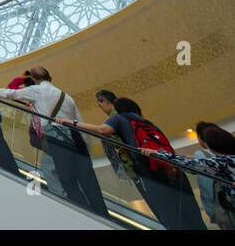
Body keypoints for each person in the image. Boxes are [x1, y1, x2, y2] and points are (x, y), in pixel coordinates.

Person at [60, 97, 205, 230]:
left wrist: (71, 122)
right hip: (172, 168)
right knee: (191, 212)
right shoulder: (148, 123)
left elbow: (103, 130)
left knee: (169, 215)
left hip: (151, 173)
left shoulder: (119, 118)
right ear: (137, 110)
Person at [0, 66, 109, 217]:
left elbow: (10, 92)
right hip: (77, 141)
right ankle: (103, 216)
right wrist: (87, 149)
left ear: (33, 79)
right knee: (89, 182)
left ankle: (82, 212)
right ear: (49, 77)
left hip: (57, 141)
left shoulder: (36, 92)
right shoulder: (66, 96)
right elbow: (79, 121)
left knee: (67, 179)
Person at [143, 125, 235, 230]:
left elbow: (189, 164)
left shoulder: (221, 163)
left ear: (211, 145)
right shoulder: (228, 160)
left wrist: (159, 153)